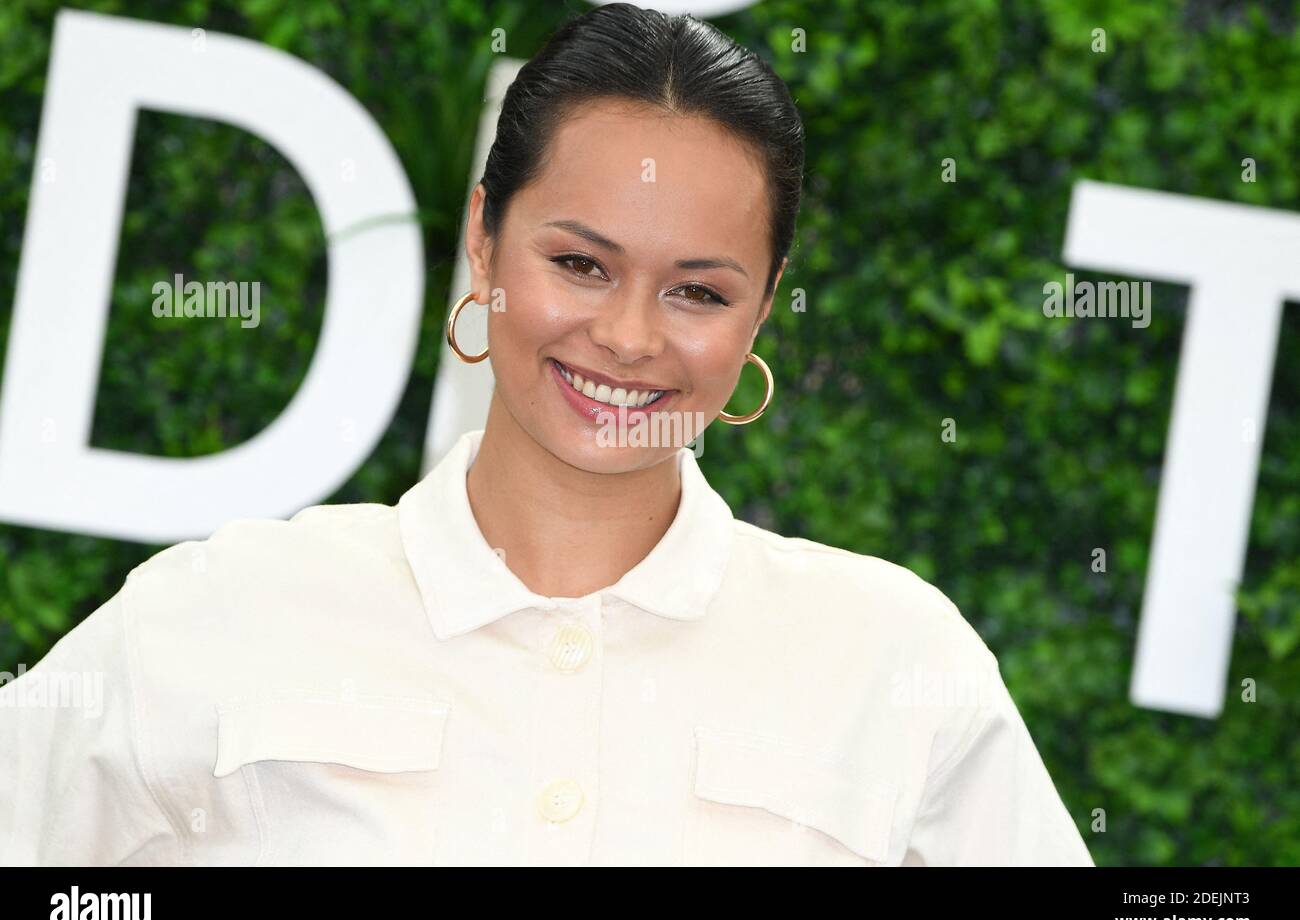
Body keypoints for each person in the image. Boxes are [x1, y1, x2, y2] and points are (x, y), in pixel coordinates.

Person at [0, 3, 1093, 866]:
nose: (625, 337)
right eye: (579, 263)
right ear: (485, 239)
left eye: (699, 291)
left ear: (762, 308)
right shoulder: (221, 610)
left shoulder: (892, 659)